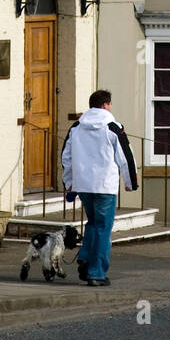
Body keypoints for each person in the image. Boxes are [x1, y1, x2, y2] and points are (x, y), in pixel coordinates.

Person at [61, 90, 137, 286]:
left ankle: (86, 257)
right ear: (105, 105)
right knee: (103, 228)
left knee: (93, 223)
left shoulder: (76, 127)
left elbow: (66, 157)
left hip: (83, 184)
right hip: (104, 185)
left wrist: (68, 182)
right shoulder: (113, 127)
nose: (111, 107)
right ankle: (96, 272)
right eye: (110, 104)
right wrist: (130, 183)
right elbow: (125, 157)